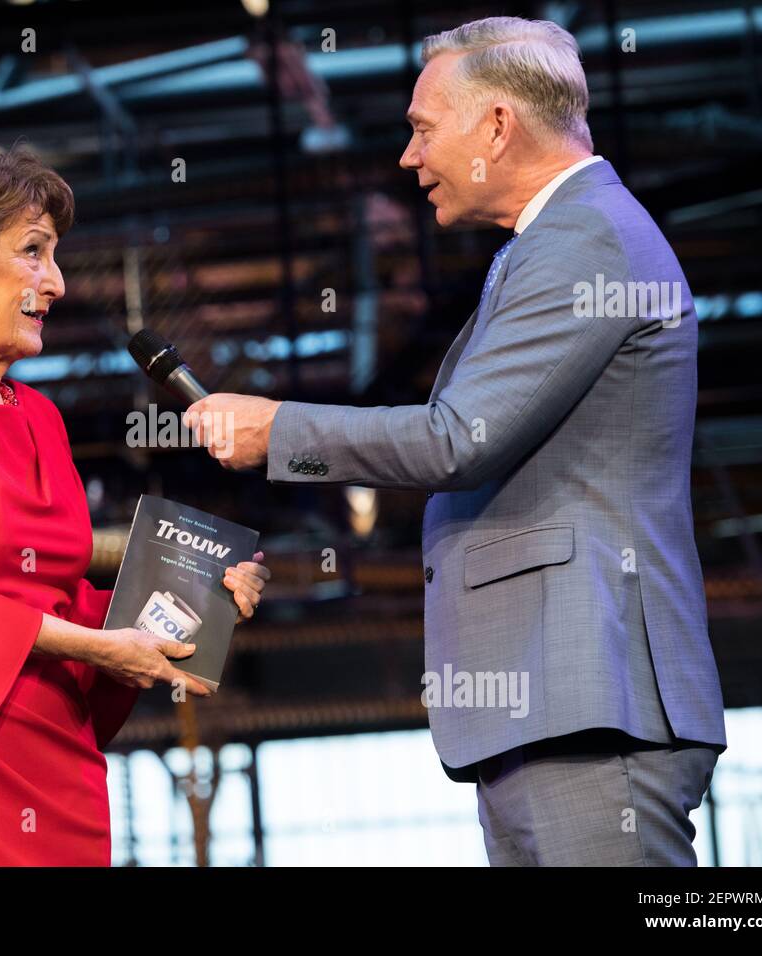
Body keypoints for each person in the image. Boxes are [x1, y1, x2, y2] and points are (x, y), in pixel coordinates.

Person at [185, 17, 725, 866]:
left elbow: (456, 440)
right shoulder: (552, 242)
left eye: (422, 129)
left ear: (498, 126)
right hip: (557, 704)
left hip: (590, 697)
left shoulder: (586, 237)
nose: (409, 157)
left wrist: (277, 429)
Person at [0, 136, 270, 865]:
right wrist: (101, 647)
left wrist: (195, 596)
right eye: (34, 251)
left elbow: (58, 601)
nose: (57, 282)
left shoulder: (38, 417)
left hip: (56, 770)